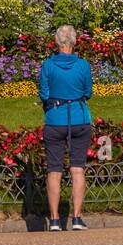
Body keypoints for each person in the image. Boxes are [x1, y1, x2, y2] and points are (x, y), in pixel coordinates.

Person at [39, 25, 93, 232]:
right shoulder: (83, 65)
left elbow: (44, 93)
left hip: (55, 120)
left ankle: (54, 220)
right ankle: (77, 218)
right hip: (79, 118)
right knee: (78, 168)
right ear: (74, 42)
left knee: (54, 170)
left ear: (56, 42)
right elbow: (88, 92)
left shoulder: (48, 65)